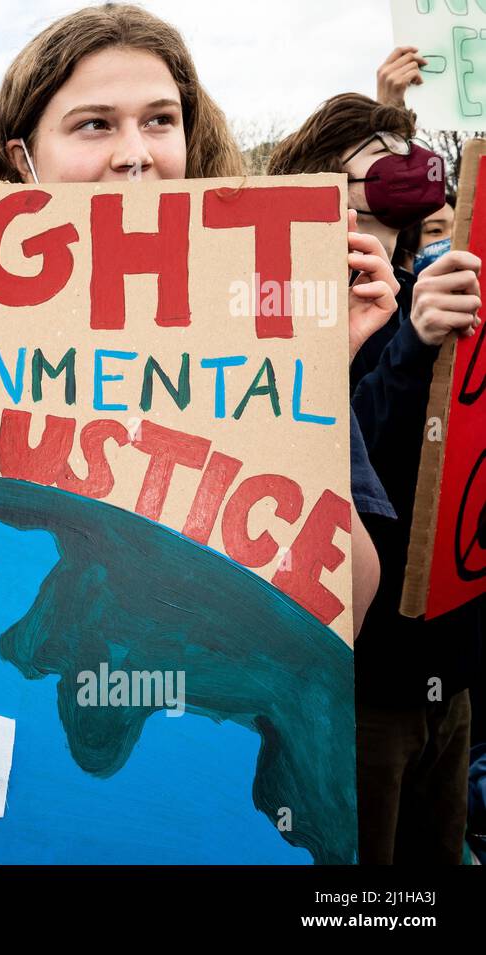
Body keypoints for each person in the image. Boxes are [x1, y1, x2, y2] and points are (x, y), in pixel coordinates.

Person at [0, 2, 397, 863]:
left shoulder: (265, 329)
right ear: (25, 158)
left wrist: (307, 387)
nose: (135, 151)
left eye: (161, 120)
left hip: (184, 808)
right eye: (94, 124)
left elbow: (341, 607)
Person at [269, 93, 483, 864]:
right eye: (385, 147)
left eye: (409, 141)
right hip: (368, 689)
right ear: (332, 181)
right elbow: (351, 467)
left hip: (449, 669)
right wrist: (414, 344)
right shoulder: (292, 304)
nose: (410, 158)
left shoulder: (434, 278)